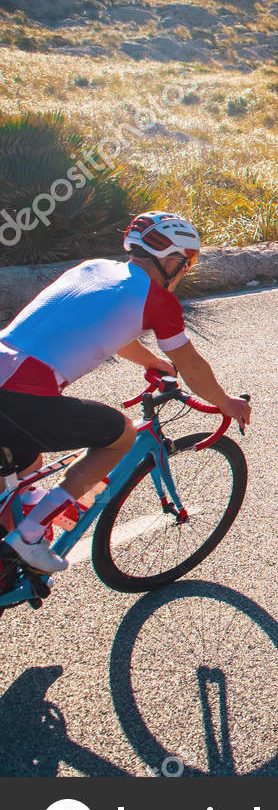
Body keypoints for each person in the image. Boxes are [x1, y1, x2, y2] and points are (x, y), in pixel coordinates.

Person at [0, 212, 252, 575]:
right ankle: (29, 535)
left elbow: (113, 331)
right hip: (20, 395)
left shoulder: (94, 269)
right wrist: (226, 402)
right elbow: (193, 365)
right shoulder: (159, 301)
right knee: (121, 435)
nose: (186, 271)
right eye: (188, 263)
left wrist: (154, 362)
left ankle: (11, 567)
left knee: (26, 467)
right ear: (170, 261)